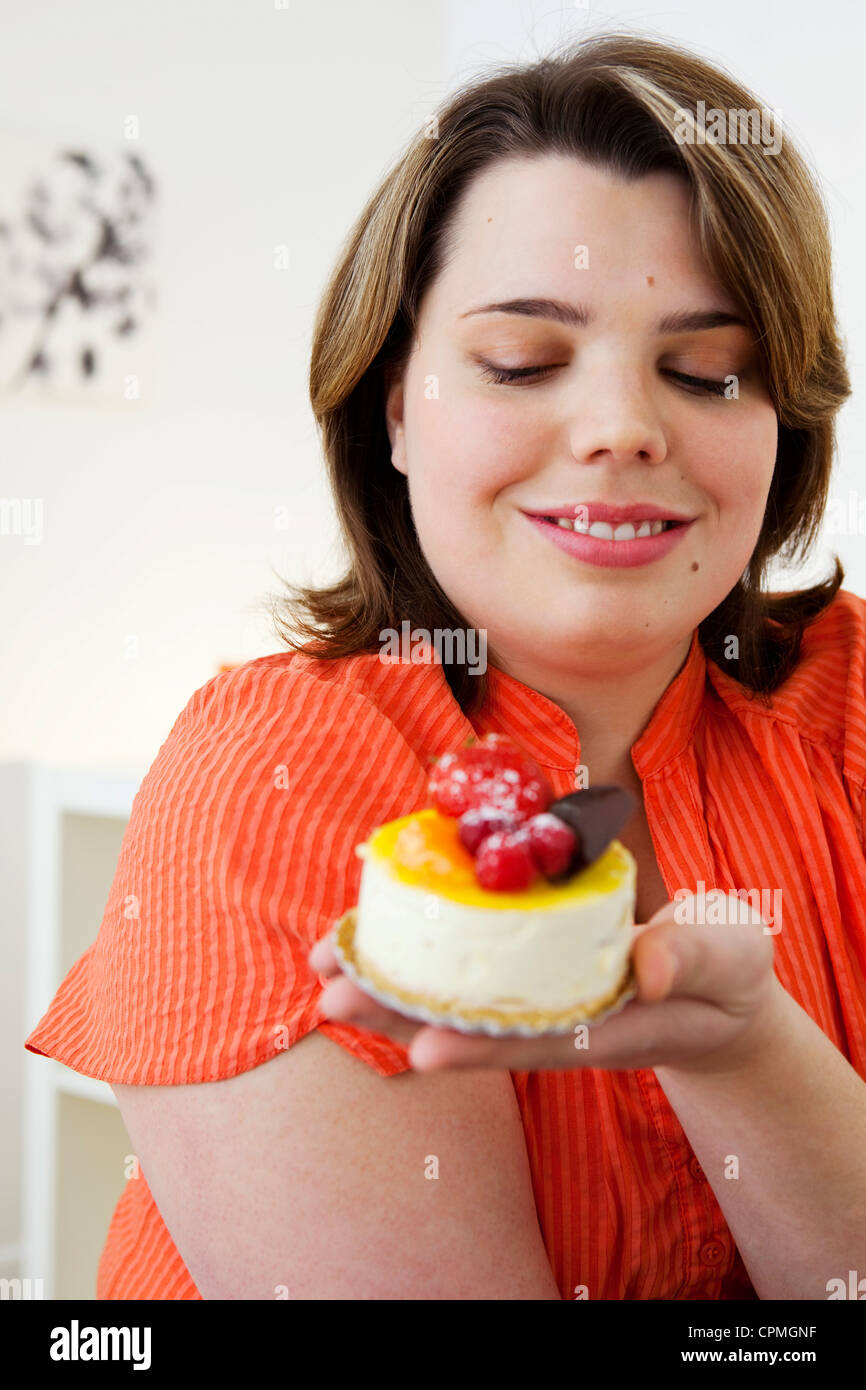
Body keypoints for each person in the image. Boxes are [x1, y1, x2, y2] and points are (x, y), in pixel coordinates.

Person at [25, 32, 866, 1301]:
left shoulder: (844, 711)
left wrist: (748, 1052)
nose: (623, 429)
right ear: (396, 407)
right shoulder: (272, 778)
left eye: (706, 369)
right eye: (521, 361)